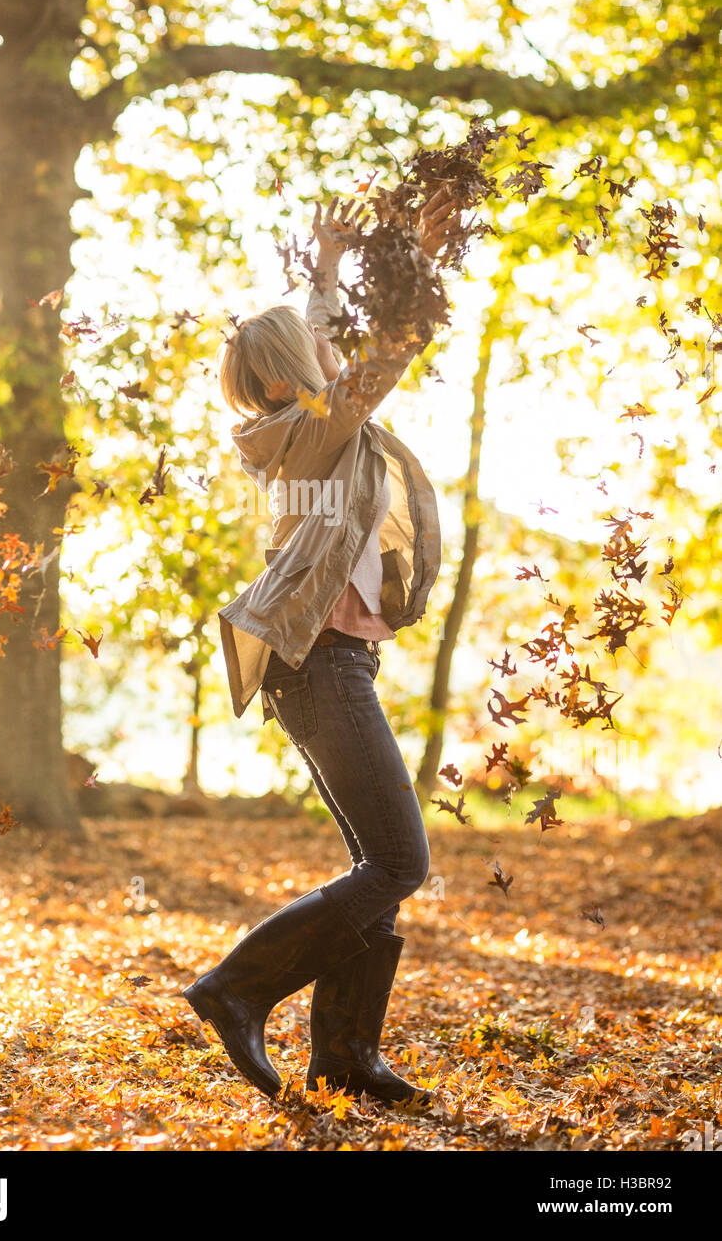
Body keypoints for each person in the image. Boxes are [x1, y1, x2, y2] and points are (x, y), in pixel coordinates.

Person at [182, 190, 458, 1108]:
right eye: (312, 359)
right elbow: (378, 358)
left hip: (331, 668)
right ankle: (238, 988)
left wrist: (337, 262)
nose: (329, 359)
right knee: (400, 863)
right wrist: (419, 257)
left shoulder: (311, 419)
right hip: (321, 670)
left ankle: (344, 1056)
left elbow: (334, 335)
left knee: (375, 872)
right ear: (285, 379)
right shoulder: (308, 433)